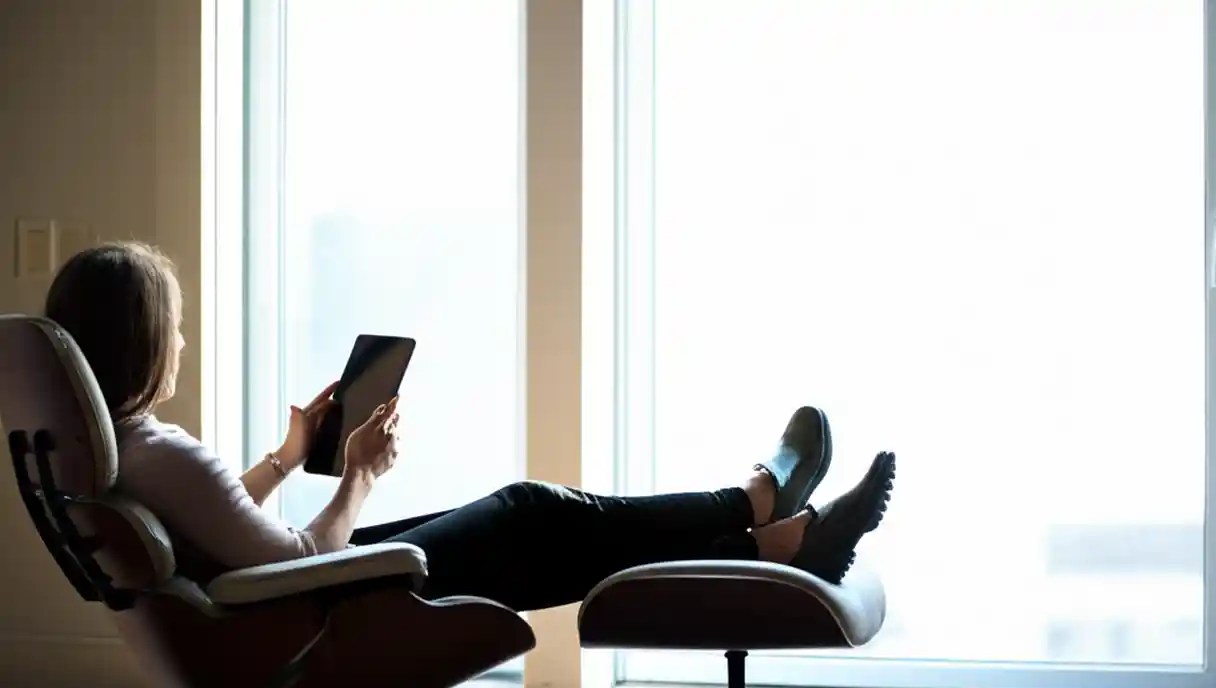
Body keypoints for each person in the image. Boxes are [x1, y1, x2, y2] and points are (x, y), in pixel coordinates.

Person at [43, 242, 895, 612]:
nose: (183, 341)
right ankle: (754, 507)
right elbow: (302, 562)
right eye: (175, 326)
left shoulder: (112, 452)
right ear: (145, 343)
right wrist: (358, 475)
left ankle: (772, 535)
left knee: (548, 537)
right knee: (530, 513)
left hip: (273, 599)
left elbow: (217, 522)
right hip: (310, 607)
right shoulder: (160, 452)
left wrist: (287, 457)